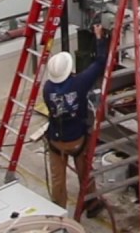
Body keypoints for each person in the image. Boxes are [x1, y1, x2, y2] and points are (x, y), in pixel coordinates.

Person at [43, 24, 108, 216]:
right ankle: (91, 203)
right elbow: (100, 63)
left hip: (56, 141)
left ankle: (58, 213)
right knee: (85, 173)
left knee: (57, 180)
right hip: (77, 139)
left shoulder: (47, 89)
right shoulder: (79, 84)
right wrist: (100, 39)